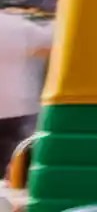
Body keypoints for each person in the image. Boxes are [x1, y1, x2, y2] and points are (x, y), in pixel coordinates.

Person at [0, 11, 52, 165]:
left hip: (19, 113)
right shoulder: (17, 25)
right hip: (19, 110)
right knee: (17, 170)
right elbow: (55, 43)